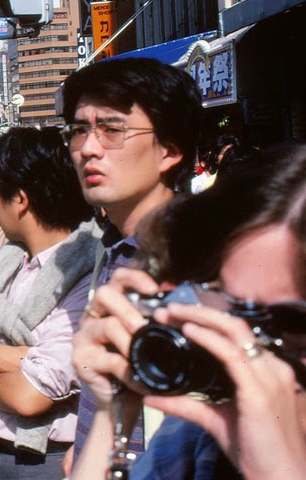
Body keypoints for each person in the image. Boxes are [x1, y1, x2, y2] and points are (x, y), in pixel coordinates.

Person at [69, 143, 306, 480]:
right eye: (228, 312)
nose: (244, 352)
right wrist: (113, 410)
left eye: (286, 326)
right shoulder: (200, 433)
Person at [60, 57, 202, 465]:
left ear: (169, 151)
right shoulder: (114, 248)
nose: (88, 148)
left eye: (111, 130)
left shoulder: (194, 260)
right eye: (79, 130)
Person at [0, 127, 99, 480]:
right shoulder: (9, 260)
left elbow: (30, 396)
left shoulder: (89, 274)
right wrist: (17, 356)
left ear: (21, 199)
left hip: (44, 461)